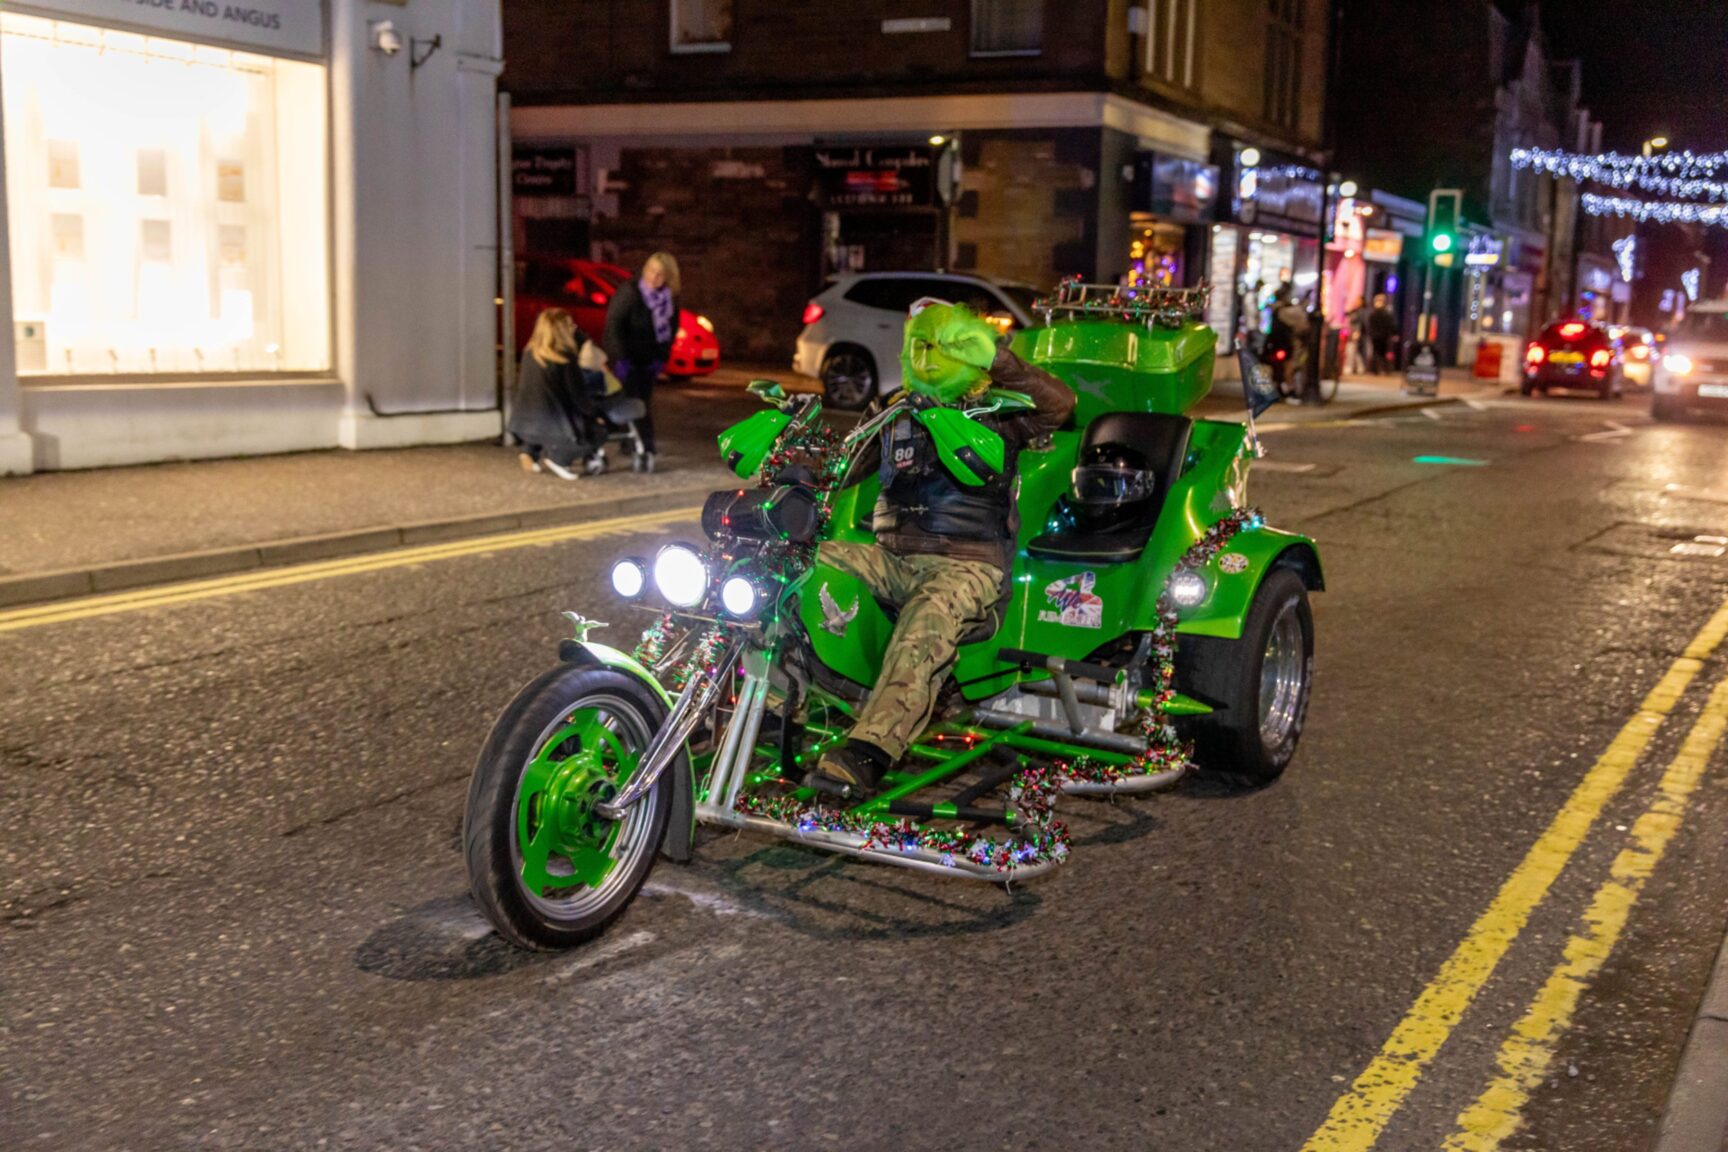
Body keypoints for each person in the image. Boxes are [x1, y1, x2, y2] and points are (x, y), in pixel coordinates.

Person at [807, 300, 1076, 798]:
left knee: (929, 614)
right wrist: (793, 466)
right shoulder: (894, 410)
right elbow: (840, 467)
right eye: (921, 345)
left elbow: (1061, 404)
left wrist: (997, 359)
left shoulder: (1001, 410)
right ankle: (772, 699)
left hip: (968, 565)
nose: (928, 355)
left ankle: (871, 751)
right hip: (892, 556)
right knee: (796, 565)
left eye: (942, 344)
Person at [603, 251, 680, 473]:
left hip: (649, 360)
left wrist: (661, 358)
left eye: (660, 274)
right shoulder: (630, 292)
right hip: (627, 357)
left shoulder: (668, 299)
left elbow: (671, 330)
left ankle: (636, 443)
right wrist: (619, 357)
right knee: (632, 402)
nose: (654, 278)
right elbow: (614, 325)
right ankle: (643, 444)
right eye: (651, 271)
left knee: (641, 402)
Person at [510, 308, 604, 481]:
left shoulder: (531, 353)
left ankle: (529, 451)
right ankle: (560, 459)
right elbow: (578, 396)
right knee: (599, 431)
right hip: (554, 425)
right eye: (570, 325)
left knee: (544, 409)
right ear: (561, 330)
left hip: (524, 424)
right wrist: (596, 414)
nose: (574, 327)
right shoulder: (565, 358)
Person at [1369, 293, 1399, 373]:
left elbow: (1370, 325)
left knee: (1376, 352)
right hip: (1383, 335)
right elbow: (1390, 324)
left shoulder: (1373, 313)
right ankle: (1384, 369)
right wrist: (1394, 334)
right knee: (1382, 352)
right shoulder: (1385, 313)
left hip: (1375, 335)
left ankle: (1375, 370)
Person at [1346, 295, 1371, 375]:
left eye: (1358, 301)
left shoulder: (1363, 312)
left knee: (1353, 350)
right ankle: (1359, 367)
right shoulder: (1355, 311)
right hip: (1352, 332)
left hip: (1357, 333)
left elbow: (1361, 323)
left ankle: (1352, 367)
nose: (1357, 302)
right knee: (1354, 351)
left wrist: (1357, 332)